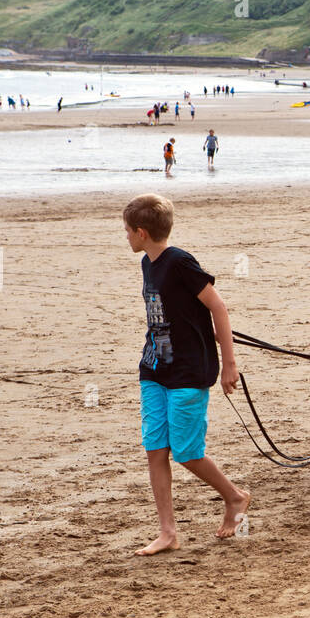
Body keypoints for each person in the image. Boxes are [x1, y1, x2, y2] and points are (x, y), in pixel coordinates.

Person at [124, 193, 249, 554]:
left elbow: (218, 307)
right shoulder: (148, 263)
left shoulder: (179, 262)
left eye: (128, 231)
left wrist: (229, 364)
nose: (126, 237)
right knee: (155, 449)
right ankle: (168, 532)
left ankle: (235, 497)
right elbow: (177, 311)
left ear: (142, 232)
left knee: (186, 452)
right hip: (153, 368)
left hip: (188, 372)